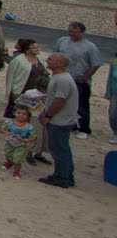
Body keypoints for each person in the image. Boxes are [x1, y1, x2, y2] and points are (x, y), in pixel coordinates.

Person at [52, 21, 102, 138]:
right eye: (70, 31)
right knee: (64, 103)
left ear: (82, 32)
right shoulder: (61, 41)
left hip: (79, 80)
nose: (72, 34)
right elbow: (55, 56)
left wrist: (85, 77)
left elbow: (96, 64)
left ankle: (84, 129)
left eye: (75, 32)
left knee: (81, 106)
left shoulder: (90, 47)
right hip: (62, 77)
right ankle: (71, 125)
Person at [39, 53, 78, 189]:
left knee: (58, 149)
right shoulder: (60, 78)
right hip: (62, 119)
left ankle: (61, 177)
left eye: (51, 59)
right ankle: (67, 176)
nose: (47, 60)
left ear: (60, 63)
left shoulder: (62, 80)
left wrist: (48, 116)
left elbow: (59, 100)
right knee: (63, 148)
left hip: (60, 121)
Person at [0, 104, 38, 180]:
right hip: (9, 143)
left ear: (28, 116)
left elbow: (34, 136)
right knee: (8, 155)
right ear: (14, 113)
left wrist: (27, 140)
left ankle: (16, 172)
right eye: (19, 113)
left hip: (21, 146)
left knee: (18, 159)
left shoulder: (29, 127)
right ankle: (9, 163)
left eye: (24, 114)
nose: (21, 115)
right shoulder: (9, 122)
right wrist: (6, 132)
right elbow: (2, 129)